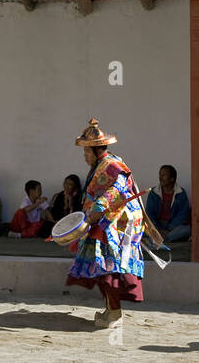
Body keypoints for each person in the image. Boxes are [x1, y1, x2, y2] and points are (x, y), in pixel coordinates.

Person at [65, 118, 154, 329]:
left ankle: (114, 313)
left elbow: (115, 191)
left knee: (108, 270)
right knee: (101, 269)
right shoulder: (99, 165)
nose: (85, 156)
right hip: (103, 222)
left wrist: (96, 210)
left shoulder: (112, 165)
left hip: (117, 225)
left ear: (97, 150)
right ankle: (110, 309)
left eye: (87, 151)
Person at [144, 165, 191, 244]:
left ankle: (160, 240)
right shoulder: (153, 192)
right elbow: (149, 213)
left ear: (172, 179)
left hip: (173, 228)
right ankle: (162, 239)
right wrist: (157, 229)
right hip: (156, 226)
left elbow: (182, 214)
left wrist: (169, 229)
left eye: (164, 175)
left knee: (187, 230)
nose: (160, 178)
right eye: (160, 175)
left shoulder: (181, 193)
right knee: (141, 228)